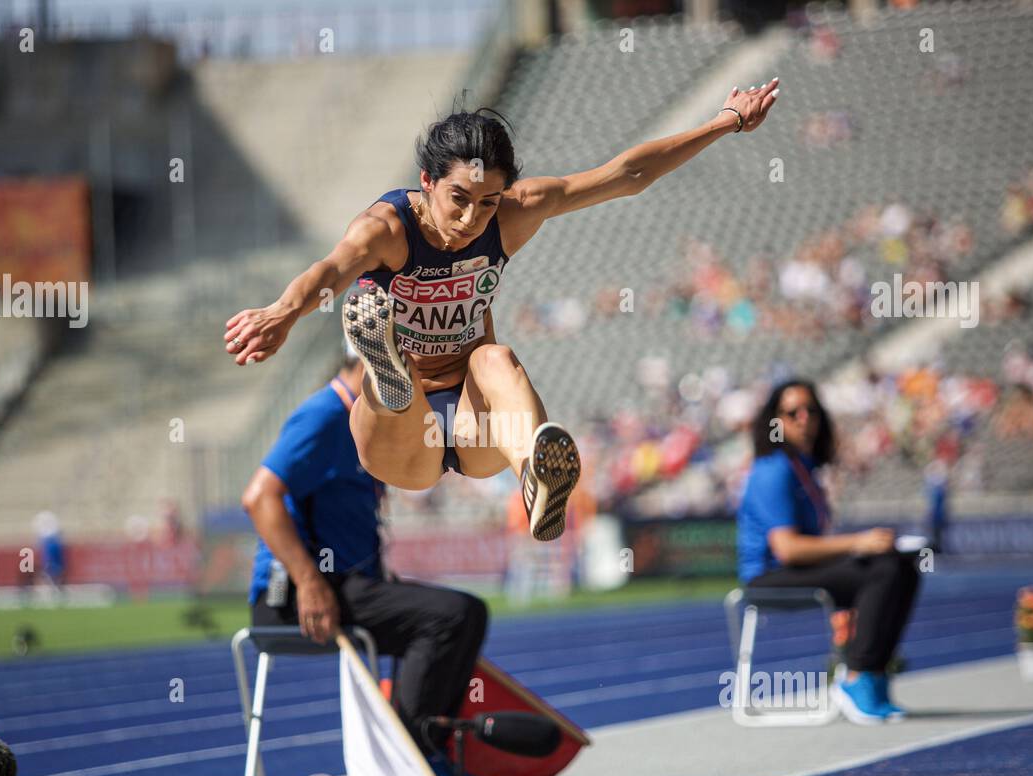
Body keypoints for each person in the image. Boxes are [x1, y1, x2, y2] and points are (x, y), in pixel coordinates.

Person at [226, 82, 782, 542]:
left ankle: (534, 478)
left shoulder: (514, 215)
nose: (471, 219)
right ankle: (389, 369)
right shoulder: (386, 229)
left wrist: (725, 121)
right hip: (401, 443)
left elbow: (626, 175)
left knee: (495, 357)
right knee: (385, 349)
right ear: (427, 182)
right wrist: (281, 312)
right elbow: (330, 271)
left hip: (475, 429)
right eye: (459, 199)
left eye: (487, 202)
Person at [241, 352, 492, 776]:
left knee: (463, 614)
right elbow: (260, 496)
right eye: (406, 369)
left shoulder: (362, 418)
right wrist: (309, 582)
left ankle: (421, 754)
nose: (413, 383)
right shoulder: (323, 415)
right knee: (450, 615)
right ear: (368, 359)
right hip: (292, 599)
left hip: (346, 584)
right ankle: (409, 761)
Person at [736, 380, 921, 724]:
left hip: (797, 569)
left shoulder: (804, 468)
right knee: (883, 570)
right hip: (769, 578)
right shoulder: (772, 470)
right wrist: (858, 543)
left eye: (812, 411)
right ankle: (856, 677)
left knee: (902, 565)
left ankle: (875, 674)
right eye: (792, 412)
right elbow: (788, 549)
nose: (804, 418)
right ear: (775, 421)